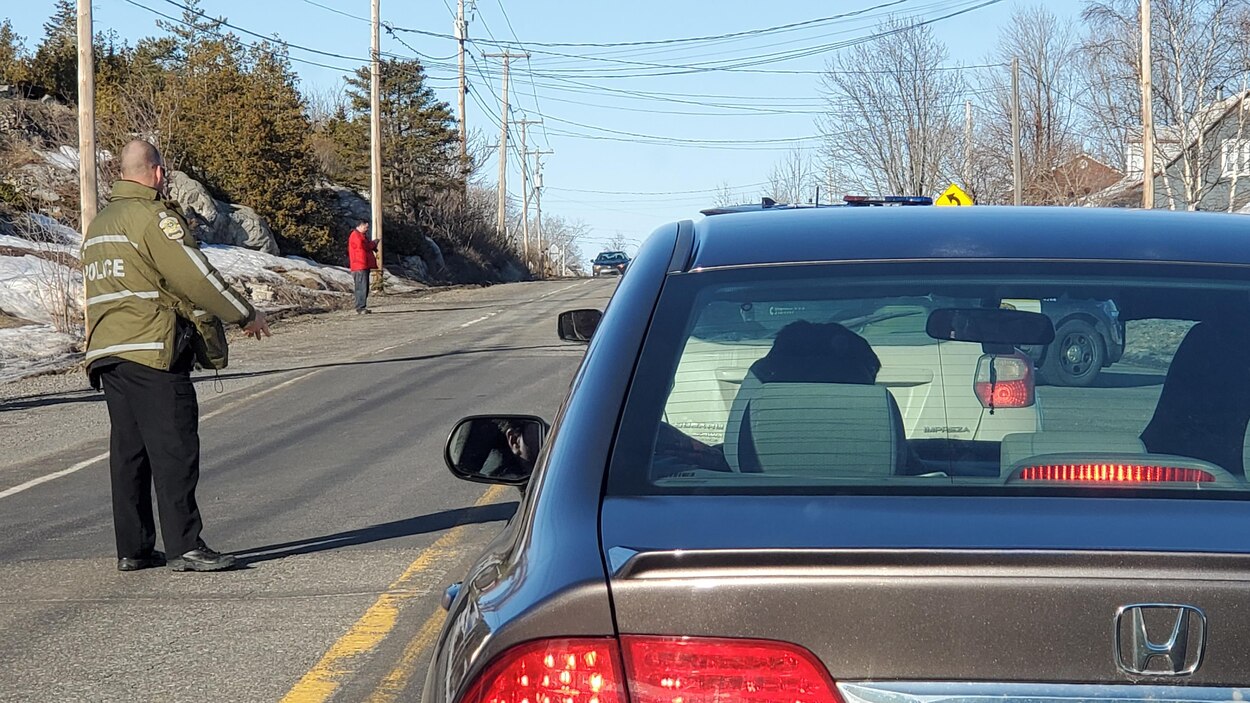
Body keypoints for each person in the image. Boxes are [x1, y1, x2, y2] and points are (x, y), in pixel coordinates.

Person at [83, 139, 271, 573]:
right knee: (174, 447)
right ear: (155, 172)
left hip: (108, 351)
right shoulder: (152, 218)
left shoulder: (100, 225)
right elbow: (196, 275)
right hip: (152, 347)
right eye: (162, 172)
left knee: (130, 452)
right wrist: (244, 314)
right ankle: (186, 544)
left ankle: (133, 548)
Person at [347, 220, 378, 314]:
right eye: (365, 227)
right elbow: (363, 247)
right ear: (360, 226)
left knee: (364, 287)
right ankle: (360, 307)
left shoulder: (361, 236)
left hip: (363, 265)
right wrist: (373, 243)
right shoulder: (356, 236)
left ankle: (362, 306)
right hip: (359, 265)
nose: (367, 229)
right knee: (361, 287)